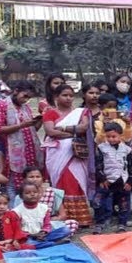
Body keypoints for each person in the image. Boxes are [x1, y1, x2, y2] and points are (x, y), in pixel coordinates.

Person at [40, 84, 93, 227]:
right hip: (57, 154)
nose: (68, 98)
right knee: (61, 182)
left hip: (76, 153)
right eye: (64, 95)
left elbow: (84, 128)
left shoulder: (81, 112)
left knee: (76, 181)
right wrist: (73, 133)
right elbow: (51, 132)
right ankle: (62, 216)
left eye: (71, 95)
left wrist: (62, 129)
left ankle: (80, 218)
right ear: (56, 97)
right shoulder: (50, 113)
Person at [0, 82, 43, 196]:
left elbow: (30, 131)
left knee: (27, 184)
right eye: (24, 96)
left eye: (29, 97)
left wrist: (38, 122)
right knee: (12, 183)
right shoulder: (1, 105)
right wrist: (22, 125)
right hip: (11, 152)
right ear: (16, 91)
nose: (26, 100)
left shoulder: (26, 107)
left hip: (29, 152)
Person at [94, 122, 132, 234]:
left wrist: (130, 181)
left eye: (114, 136)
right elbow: (98, 165)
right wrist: (102, 179)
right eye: (108, 137)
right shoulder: (101, 148)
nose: (111, 139)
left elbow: (130, 166)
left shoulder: (126, 149)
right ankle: (100, 222)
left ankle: (122, 223)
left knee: (124, 203)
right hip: (107, 180)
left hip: (122, 180)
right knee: (98, 201)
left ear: (121, 136)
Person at [14, 181, 72, 248]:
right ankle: (53, 244)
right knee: (29, 244)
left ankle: (44, 243)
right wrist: (32, 235)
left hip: (43, 235)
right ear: (21, 196)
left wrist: (44, 232)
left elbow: (47, 224)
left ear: (39, 194)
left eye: (35, 192)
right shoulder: (17, 211)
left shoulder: (43, 208)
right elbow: (17, 230)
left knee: (65, 230)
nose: (32, 194)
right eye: (28, 193)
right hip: (28, 237)